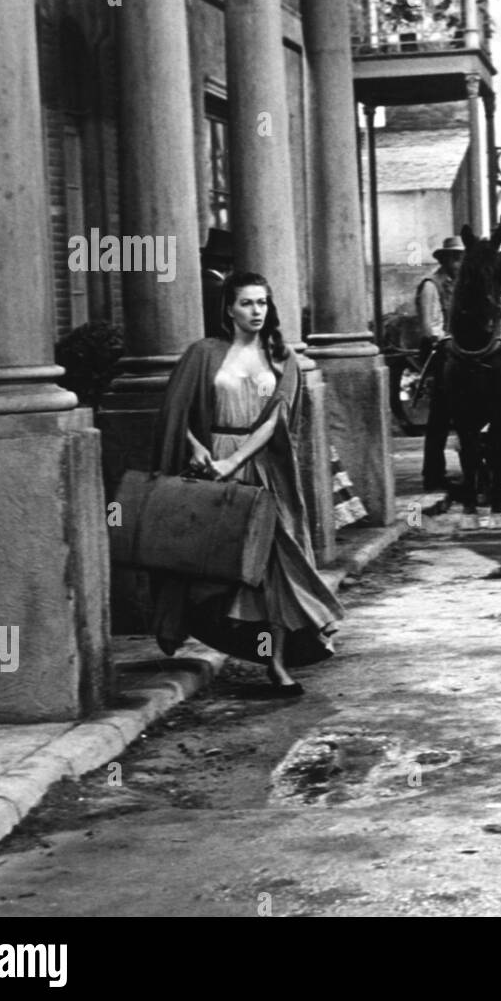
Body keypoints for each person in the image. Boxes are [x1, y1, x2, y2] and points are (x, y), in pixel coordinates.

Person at [149, 272, 342, 696]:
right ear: (228, 309)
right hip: (209, 464)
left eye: (262, 303)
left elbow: (277, 420)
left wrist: (235, 460)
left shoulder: (281, 357)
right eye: (247, 303)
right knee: (211, 564)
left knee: (271, 567)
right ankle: (196, 626)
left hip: (260, 468)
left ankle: (276, 665)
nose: (257, 311)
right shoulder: (203, 354)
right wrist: (198, 449)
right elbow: (175, 413)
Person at [419, 236, 463, 493]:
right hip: (441, 356)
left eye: (461, 258)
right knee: (440, 417)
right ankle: (433, 474)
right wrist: (451, 341)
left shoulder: (460, 284)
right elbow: (430, 329)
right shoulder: (431, 285)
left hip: (461, 355)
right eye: (454, 258)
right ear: (445, 260)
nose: (459, 263)